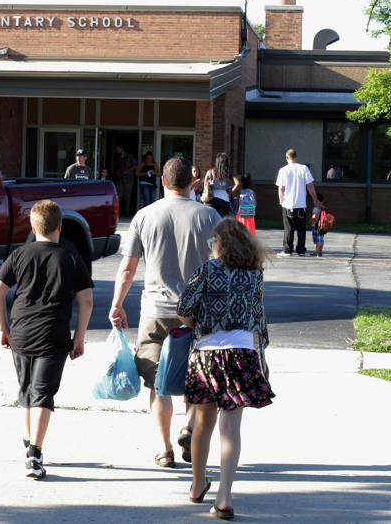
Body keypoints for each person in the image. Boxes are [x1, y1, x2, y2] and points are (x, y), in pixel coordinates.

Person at [110, 157, 220, 469]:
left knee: (158, 383)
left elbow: (128, 267)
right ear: (192, 183)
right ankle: (189, 428)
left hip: (155, 312)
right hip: (198, 313)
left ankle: (164, 449)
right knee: (196, 379)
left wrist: (117, 304)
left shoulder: (144, 216)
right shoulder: (209, 216)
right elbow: (220, 262)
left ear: (162, 182)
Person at [177, 218, 275, 521]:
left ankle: (196, 485)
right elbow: (258, 319)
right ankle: (224, 497)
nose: (211, 246)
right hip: (242, 352)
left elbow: (184, 308)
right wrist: (261, 358)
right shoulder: (255, 275)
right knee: (230, 428)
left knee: (203, 423)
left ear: (220, 242)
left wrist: (200, 328)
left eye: (212, 241)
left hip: (207, 354)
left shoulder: (207, 270)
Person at [0, 200, 94, 480]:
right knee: (42, 396)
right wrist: (79, 338)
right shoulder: (71, 256)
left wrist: (3, 327)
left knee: (28, 394)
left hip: (20, 335)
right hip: (53, 336)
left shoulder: (20, 254)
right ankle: (34, 454)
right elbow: (86, 299)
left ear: (32, 226)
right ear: (60, 226)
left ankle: (29, 444)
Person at [275, 149, 319, 257]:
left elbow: (281, 188)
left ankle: (287, 250)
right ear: (296, 157)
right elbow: (310, 185)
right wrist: (315, 199)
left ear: (287, 158)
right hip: (301, 204)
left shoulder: (283, 170)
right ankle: (301, 250)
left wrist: (281, 201)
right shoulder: (303, 168)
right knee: (301, 228)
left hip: (288, 204)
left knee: (288, 228)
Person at [203, 153, 234, 217]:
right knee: (222, 224)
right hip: (224, 200)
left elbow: (205, 187)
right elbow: (238, 183)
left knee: (210, 223)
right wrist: (230, 192)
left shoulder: (210, 172)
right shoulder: (227, 173)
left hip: (211, 199)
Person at [114, 145, 138, 215]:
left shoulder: (130, 156)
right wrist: (117, 172)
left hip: (128, 179)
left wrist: (127, 171)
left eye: (117, 149)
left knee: (127, 196)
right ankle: (118, 212)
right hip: (120, 179)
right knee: (119, 195)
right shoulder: (117, 157)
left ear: (122, 148)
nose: (116, 151)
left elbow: (135, 165)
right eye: (116, 150)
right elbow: (117, 167)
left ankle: (126, 211)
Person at [311, 192, 327, 257]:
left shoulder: (316, 208)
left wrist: (311, 221)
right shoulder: (323, 208)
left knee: (318, 240)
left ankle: (317, 252)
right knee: (321, 239)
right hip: (322, 226)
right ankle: (320, 252)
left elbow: (314, 217)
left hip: (316, 226)